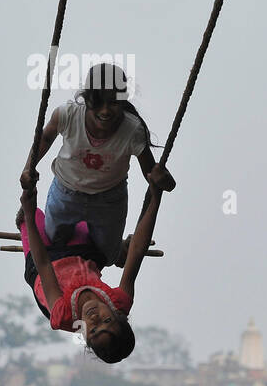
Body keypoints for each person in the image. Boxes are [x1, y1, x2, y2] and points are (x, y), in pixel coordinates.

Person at [20, 62, 174, 268]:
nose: (106, 110)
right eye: (98, 102)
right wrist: (29, 167)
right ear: (86, 99)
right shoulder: (68, 115)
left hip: (109, 200)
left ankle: (119, 249)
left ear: (123, 101)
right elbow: (45, 138)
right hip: (67, 192)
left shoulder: (132, 131)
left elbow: (152, 175)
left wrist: (164, 181)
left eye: (113, 103)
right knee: (53, 239)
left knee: (108, 256)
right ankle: (28, 219)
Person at [18, 178, 164, 364]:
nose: (95, 319)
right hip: (83, 257)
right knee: (88, 211)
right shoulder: (119, 301)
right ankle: (118, 251)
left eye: (93, 331)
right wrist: (155, 194)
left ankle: (29, 218)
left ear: (85, 337)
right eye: (107, 321)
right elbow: (137, 251)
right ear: (118, 316)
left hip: (44, 263)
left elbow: (44, 265)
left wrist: (29, 214)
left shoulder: (63, 315)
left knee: (31, 216)